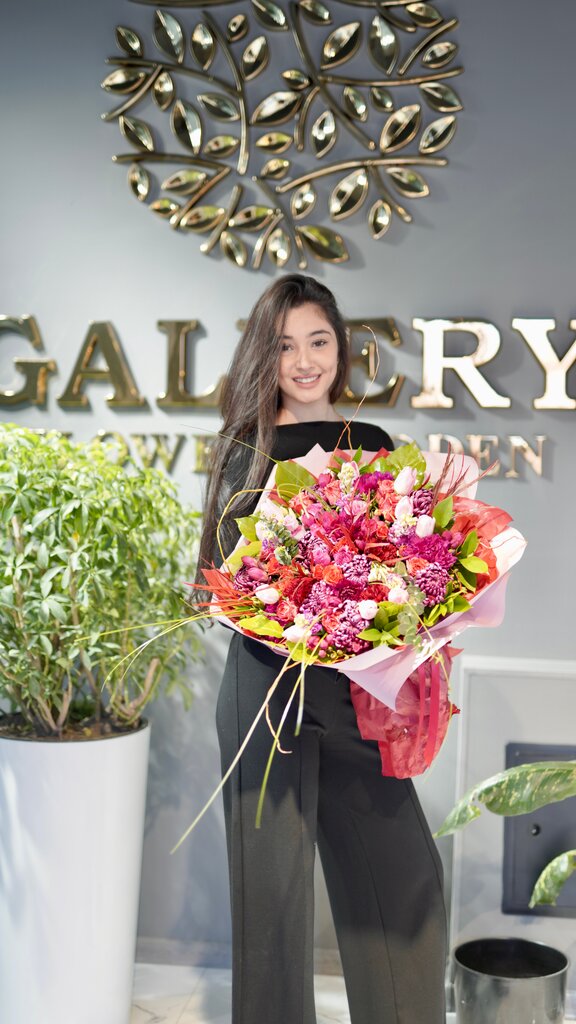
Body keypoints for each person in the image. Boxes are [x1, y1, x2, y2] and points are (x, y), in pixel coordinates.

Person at [196, 275, 447, 1024]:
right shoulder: (248, 445)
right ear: (262, 357)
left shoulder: (373, 447)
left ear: (341, 346)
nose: (304, 361)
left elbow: (400, 572)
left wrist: (412, 615)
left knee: (407, 884)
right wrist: (298, 600)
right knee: (272, 915)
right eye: (284, 346)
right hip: (265, 695)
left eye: (319, 341)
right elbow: (222, 582)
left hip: (350, 696)